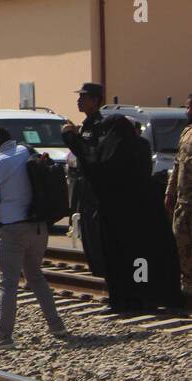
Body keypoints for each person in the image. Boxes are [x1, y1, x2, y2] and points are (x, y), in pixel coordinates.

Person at [69, 115, 183, 312]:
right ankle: (145, 294)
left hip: (115, 215)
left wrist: (72, 139)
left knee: (118, 259)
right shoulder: (141, 146)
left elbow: (93, 165)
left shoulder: (109, 149)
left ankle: (124, 298)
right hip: (143, 213)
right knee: (141, 257)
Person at [0, 129, 67, 349]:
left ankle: (3, 337)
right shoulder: (26, 151)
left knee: (8, 284)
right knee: (36, 276)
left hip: (12, 229)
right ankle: (56, 325)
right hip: (39, 227)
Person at [61, 82, 107, 276]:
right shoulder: (88, 124)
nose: (79, 101)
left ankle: (101, 276)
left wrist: (69, 137)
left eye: (84, 97)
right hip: (83, 186)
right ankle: (97, 274)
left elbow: (88, 154)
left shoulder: (97, 125)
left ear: (95, 101)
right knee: (86, 234)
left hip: (93, 189)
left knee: (94, 236)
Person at [164, 93, 192, 296]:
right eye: (187, 107)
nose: (187, 111)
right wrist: (169, 192)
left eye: (191, 107)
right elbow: (177, 163)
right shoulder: (186, 133)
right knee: (181, 247)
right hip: (183, 203)